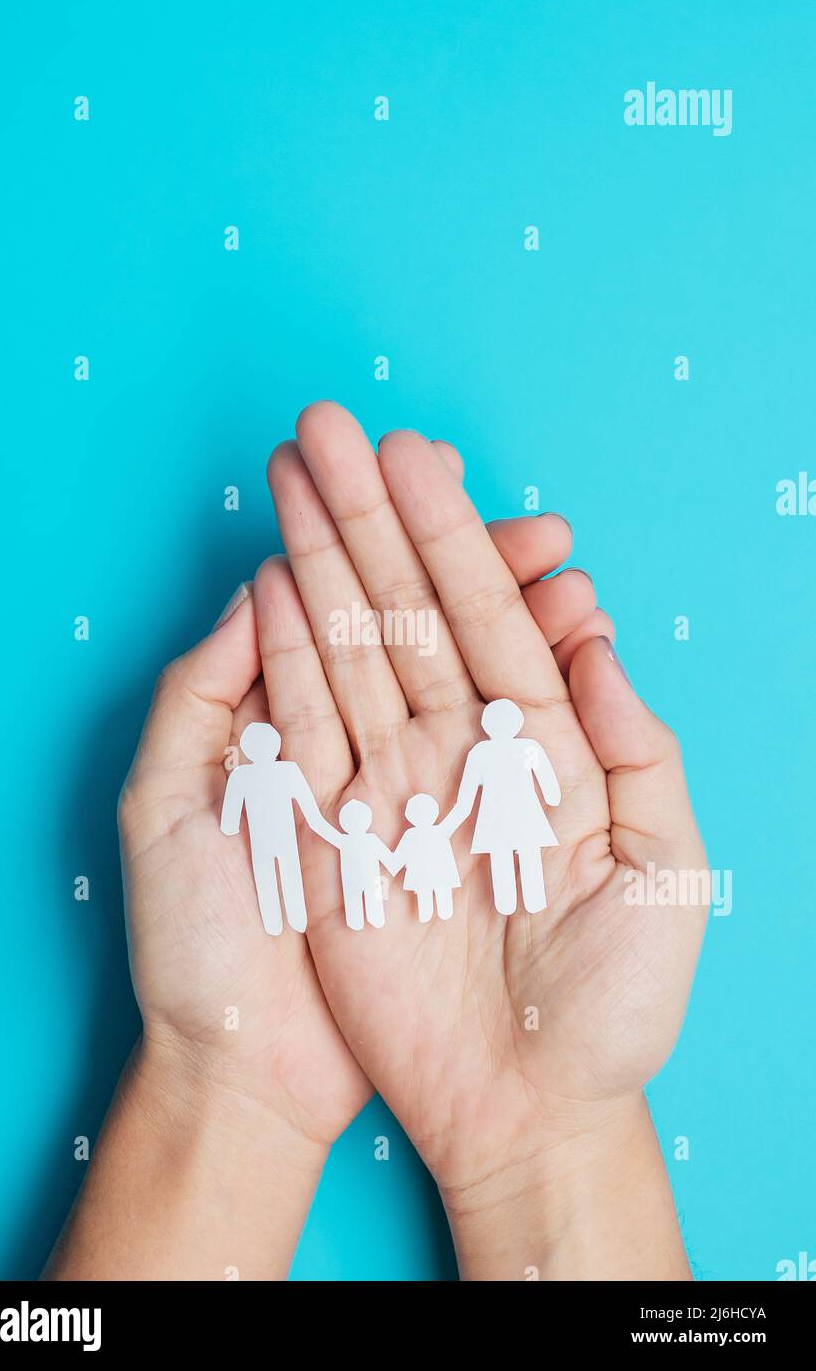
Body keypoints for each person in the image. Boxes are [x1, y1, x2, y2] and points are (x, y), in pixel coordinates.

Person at [45, 403, 707, 1282]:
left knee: (483, 874)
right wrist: (226, 1071)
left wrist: (555, 1136)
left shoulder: (428, 783)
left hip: (459, 849)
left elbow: (454, 796)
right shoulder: (300, 785)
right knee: (318, 888)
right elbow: (310, 812)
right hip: (375, 862)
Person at [442, 699, 561, 915]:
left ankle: (508, 904)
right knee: (527, 854)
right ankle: (531, 901)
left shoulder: (480, 752)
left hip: (494, 819)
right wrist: (552, 797)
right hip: (525, 815)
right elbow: (551, 790)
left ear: (486, 725)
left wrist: (445, 829)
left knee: (502, 859)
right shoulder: (528, 747)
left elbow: (464, 802)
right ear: (517, 722)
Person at [220, 721, 339, 936]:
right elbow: (312, 814)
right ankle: (294, 920)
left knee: (267, 877)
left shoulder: (241, 775)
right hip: (283, 840)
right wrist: (335, 837)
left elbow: (229, 824)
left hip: (263, 841)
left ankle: (277, 924)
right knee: (288, 873)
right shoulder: (287, 771)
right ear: (276, 745)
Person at [392, 793, 460, 922]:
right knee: (433, 895)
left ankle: (433, 913)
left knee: (433, 895)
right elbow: (458, 814)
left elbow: (398, 858)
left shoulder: (413, 834)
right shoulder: (440, 830)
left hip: (429, 874)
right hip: (433, 874)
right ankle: (434, 913)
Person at [331, 798, 395, 930]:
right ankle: (363, 921)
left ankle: (365, 920)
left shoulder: (345, 840)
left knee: (365, 905)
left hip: (365, 880)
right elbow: (390, 859)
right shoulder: (350, 840)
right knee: (361, 905)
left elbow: (388, 859)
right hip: (360, 880)